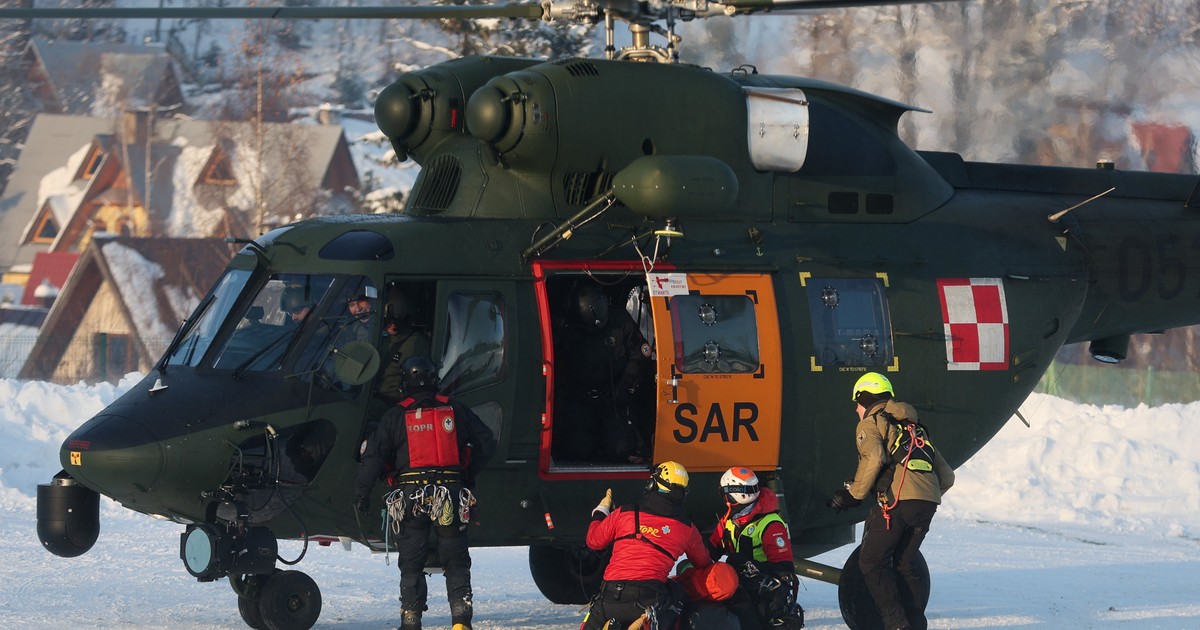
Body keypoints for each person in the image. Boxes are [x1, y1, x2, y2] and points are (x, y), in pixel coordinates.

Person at [355, 355, 497, 630]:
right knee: (455, 559)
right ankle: (461, 621)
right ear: (434, 380)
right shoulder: (455, 409)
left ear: (405, 382)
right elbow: (486, 442)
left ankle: (411, 620)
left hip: (411, 499)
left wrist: (361, 495)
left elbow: (372, 458)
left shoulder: (395, 415)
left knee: (411, 563)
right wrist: (467, 475)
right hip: (451, 495)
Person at [829, 372, 955, 630]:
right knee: (904, 564)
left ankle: (897, 625)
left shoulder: (871, 423)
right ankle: (916, 623)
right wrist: (922, 497)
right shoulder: (915, 427)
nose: (856, 409)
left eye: (857, 402)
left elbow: (874, 458)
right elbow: (948, 477)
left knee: (871, 562)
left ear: (865, 398)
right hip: (927, 504)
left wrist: (853, 494)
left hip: (896, 504)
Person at [581, 461, 713, 630]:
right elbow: (703, 562)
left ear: (652, 484)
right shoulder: (687, 528)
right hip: (649, 601)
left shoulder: (625, 512)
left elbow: (594, 541)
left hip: (609, 598)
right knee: (678, 600)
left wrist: (601, 512)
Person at [553, 281, 653, 463]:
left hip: (615, 395)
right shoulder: (569, 330)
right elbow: (560, 365)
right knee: (576, 446)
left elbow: (641, 354)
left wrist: (625, 386)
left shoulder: (620, 321)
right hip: (580, 397)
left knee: (620, 447)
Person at [707, 467, 805, 629]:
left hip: (765, 590)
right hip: (739, 583)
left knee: (736, 561)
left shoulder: (770, 524)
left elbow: (784, 571)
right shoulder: (730, 519)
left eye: (725, 493)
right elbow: (711, 550)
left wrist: (749, 568)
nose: (724, 498)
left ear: (735, 493)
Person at [377, 286, 432, 402]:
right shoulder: (382, 339)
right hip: (377, 397)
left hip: (396, 402)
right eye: (387, 321)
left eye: (396, 321)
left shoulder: (417, 344)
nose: (391, 326)